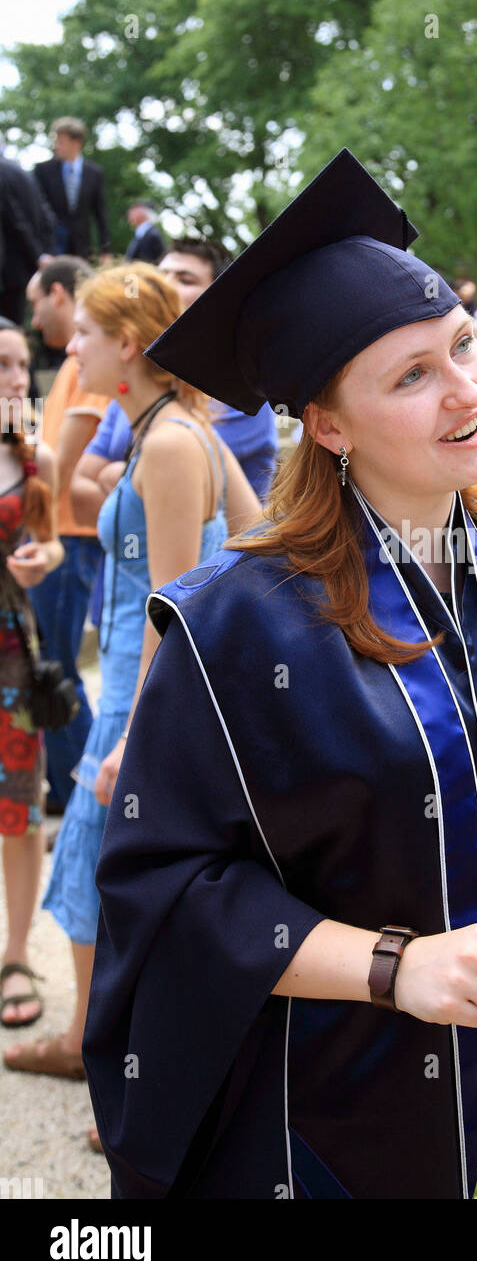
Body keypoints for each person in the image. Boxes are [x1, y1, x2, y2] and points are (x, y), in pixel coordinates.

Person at [80, 150, 477, 1200]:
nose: (467, 390)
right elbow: (173, 888)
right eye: (410, 375)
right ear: (327, 424)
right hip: (345, 1108)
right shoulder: (233, 626)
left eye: (462, 346)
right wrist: (393, 964)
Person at [3, 266, 261, 1158]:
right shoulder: (173, 428)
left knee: (91, 877)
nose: (69, 348)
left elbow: (174, 600)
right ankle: (100, 1051)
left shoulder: (174, 441)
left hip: (139, 694)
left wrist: (136, 737)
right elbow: (258, 535)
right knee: (91, 878)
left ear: (129, 341)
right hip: (127, 685)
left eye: (83, 334)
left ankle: (116, 1069)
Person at [75, 238, 280, 510]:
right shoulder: (132, 385)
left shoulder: (240, 391)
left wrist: (111, 476)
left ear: (218, 299)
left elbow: (176, 483)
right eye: (160, 276)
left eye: (185, 279)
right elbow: (78, 491)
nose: (165, 287)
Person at [0, 319, 65, 1028]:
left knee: (17, 807)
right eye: (3, 366)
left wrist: (40, 560)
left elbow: (48, 544)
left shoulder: (33, 457)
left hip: (12, 647)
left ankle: (15, 956)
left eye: (22, 364)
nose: (17, 377)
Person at [25, 257, 107, 818]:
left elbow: (59, 460)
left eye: (36, 303)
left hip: (70, 536)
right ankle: (66, 787)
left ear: (59, 293)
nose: (33, 319)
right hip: (61, 534)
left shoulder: (85, 356)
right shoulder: (77, 357)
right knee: (51, 663)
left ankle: (88, 798)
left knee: (57, 665)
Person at [32, 118, 111, 263]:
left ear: (76, 143)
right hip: (52, 247)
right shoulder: (43, 171)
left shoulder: (94, 173)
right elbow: (37, 210)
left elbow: (100, 214)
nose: (56, 146)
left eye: (61, 142)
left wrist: (105, 249)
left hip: (81, 248)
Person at [0, 135, 55, 323]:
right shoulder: (23, 172)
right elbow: (47, 215)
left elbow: (16, 219)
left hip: (7, 268)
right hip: (25, 267)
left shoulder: (2, 172)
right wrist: (43, 254)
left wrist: (37, 254)